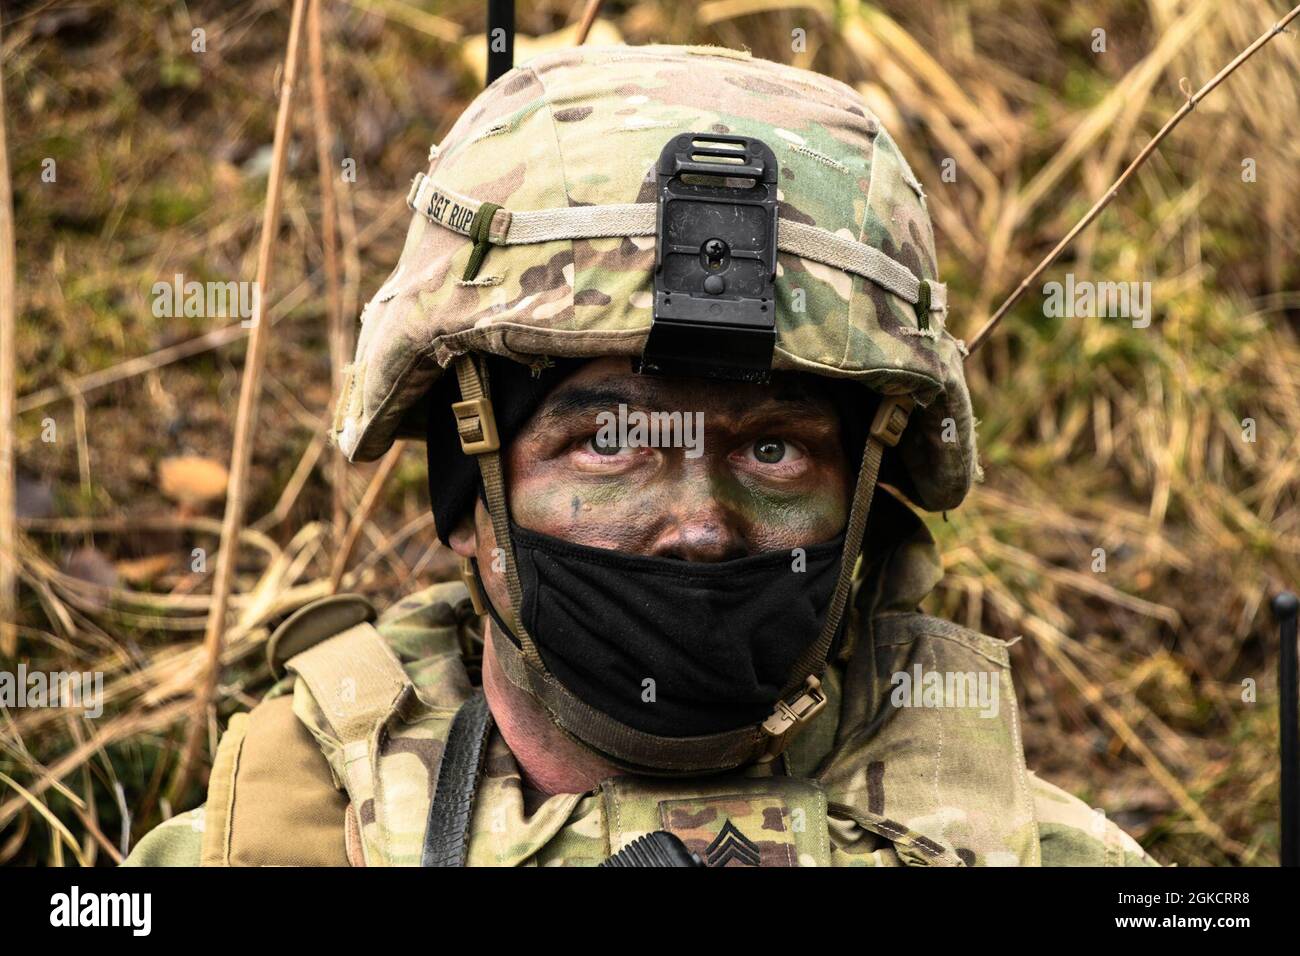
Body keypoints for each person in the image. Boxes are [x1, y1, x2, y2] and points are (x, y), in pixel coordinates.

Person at [126, 43, 1156, 867]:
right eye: (611, 439)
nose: (702, 522)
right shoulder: (266, 842)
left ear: (867, 489)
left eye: (771, 448)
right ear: (465, 491)